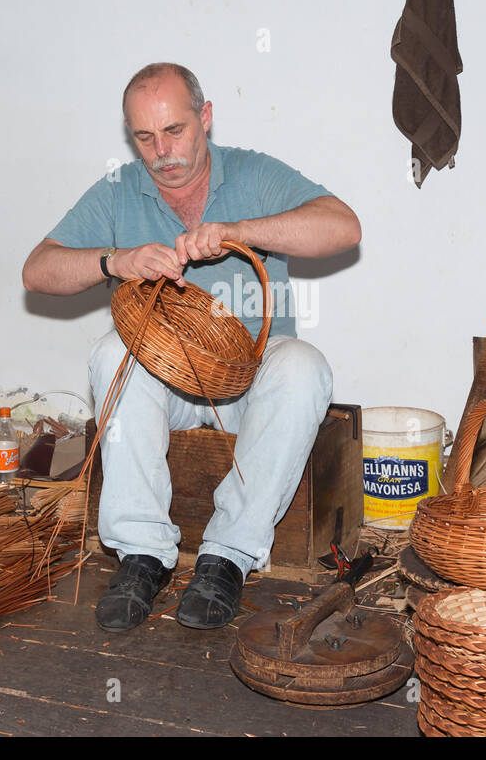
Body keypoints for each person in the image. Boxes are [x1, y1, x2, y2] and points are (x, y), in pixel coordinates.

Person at [22, 62, 361, 632]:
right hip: (169, 378)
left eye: (175, 131)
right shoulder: (118, 190)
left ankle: (227, 556)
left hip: (253, 375)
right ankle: (141, 554)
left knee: (304, 367)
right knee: (112, 353)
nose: (162, 152)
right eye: (145, 137)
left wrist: (241, 231)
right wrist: (115, 261)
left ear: (205, 118)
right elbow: (37, 270)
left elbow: (343, 228)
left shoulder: (252, 173)